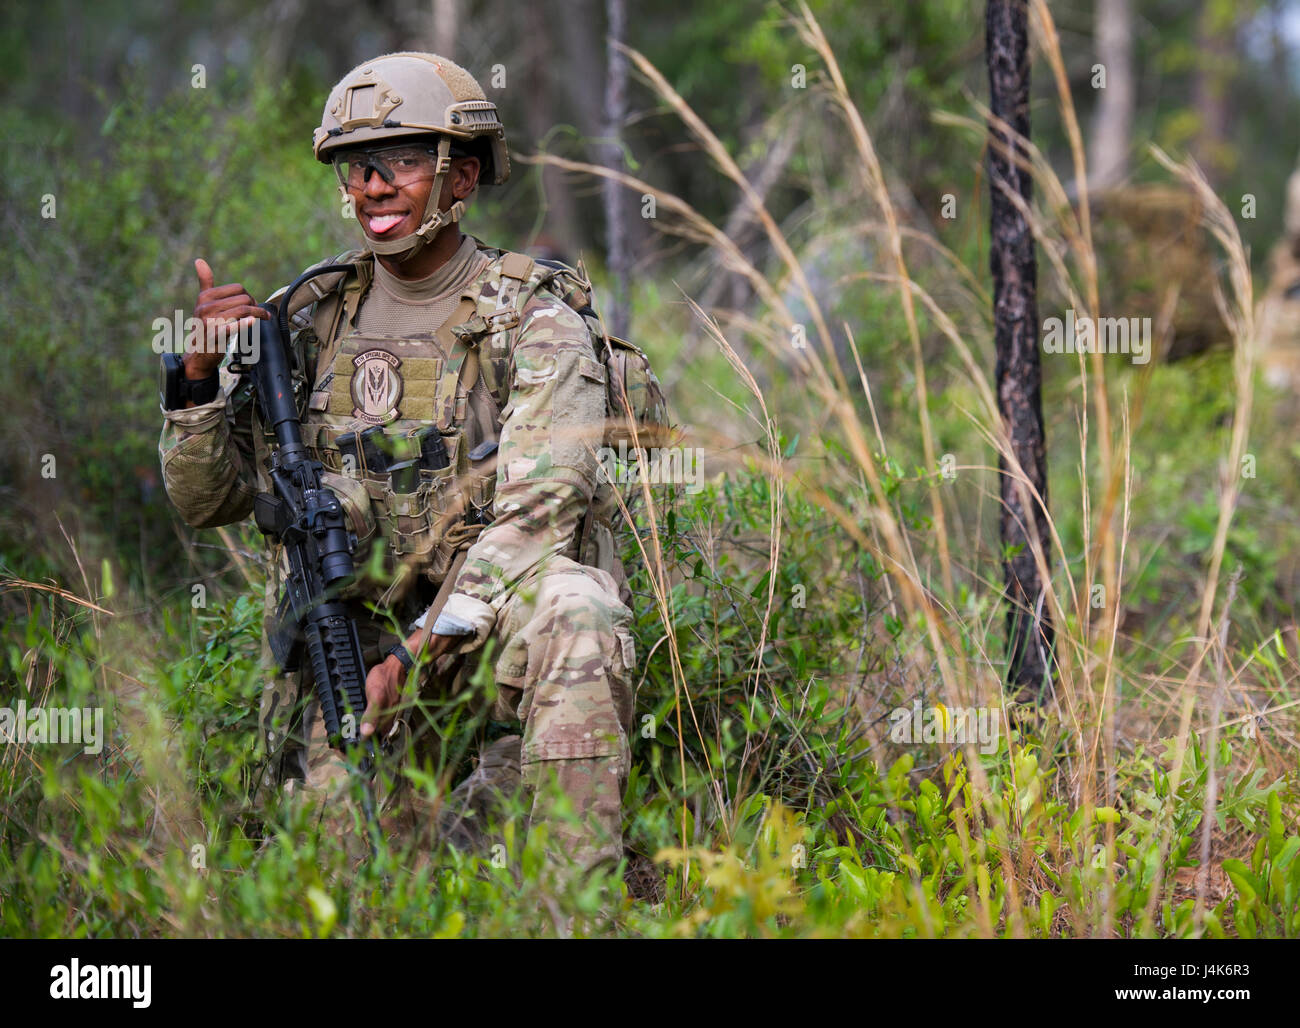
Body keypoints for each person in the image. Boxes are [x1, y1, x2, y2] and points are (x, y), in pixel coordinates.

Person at [158, 52, 638, 883]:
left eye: (405, 159)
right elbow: (208, 501)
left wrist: (415, 656)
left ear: (464, 177)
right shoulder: (305, 321)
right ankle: (466, 815)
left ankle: (577, 901)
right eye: (357, 165)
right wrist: (194, 382)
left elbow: (538, 514)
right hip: (358, 656)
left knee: (577, 604)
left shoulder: (533, 321)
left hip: (483, 651)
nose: (375, 185)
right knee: (340, 882)